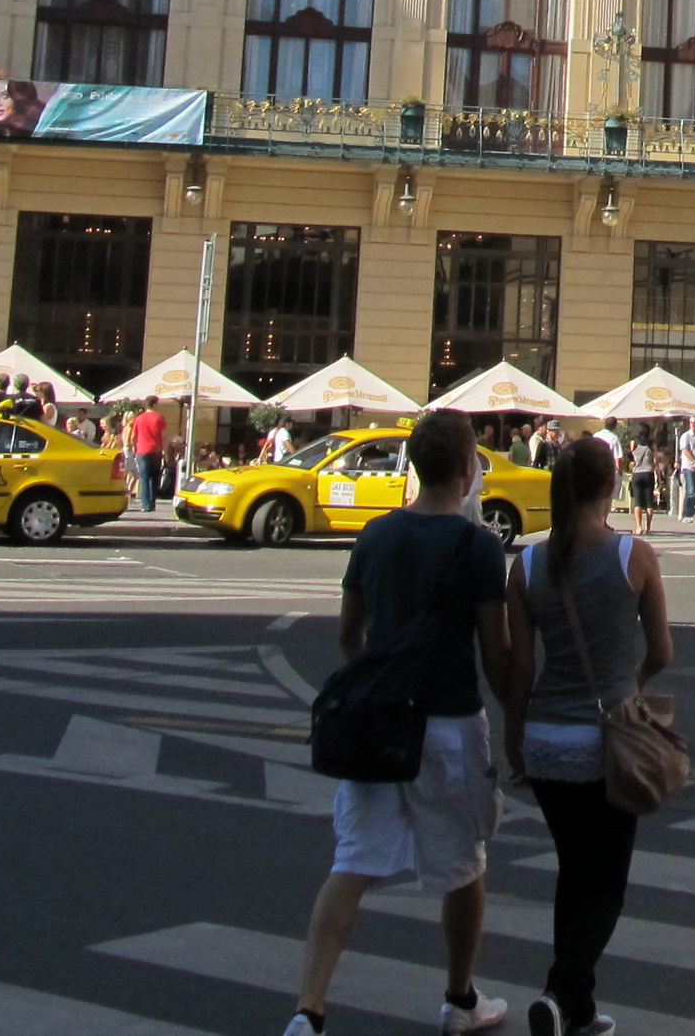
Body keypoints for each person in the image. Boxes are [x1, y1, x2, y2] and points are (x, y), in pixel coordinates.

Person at [285, 409, 514, 1036]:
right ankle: (460, 998)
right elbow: (494, 656)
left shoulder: (375, 536)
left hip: (380, 723)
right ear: (469, 469)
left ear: (414, 464)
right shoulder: (479, 547)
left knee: (352, 861)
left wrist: (382, 680)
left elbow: (346, 634)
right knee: (464, 865)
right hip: (449, 721)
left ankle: (309, 1010)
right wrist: (518, 716)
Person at [503, 434, 674, 1036]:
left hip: (547, 739)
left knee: (574, 870)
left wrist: (515, 732)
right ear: (611, 488)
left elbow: (519, 668)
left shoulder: (524, 564)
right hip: (607, 740)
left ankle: (577, 1008)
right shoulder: (635, 555)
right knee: (605, 884)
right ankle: (559, 992)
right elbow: (662, 651)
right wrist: (631, 683)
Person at [127, 397, 168, 512]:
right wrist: (164, 452)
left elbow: (133, 437)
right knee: (154, 478)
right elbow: (163, 436)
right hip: (156, 451)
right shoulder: (159, 418)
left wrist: (135, 448)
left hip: (142, 451)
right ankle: (152, 503)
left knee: (144, 478)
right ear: (154, 405)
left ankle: (145, 505)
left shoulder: (139, 418)